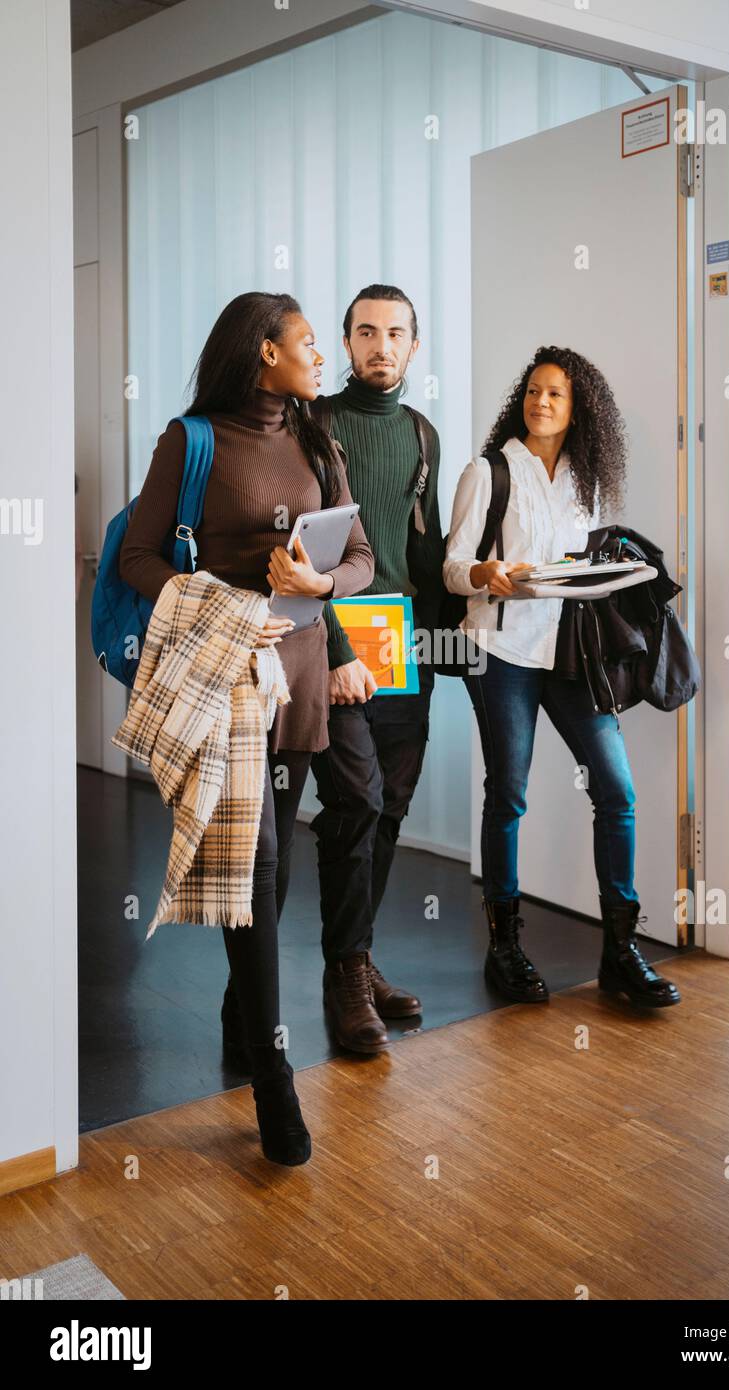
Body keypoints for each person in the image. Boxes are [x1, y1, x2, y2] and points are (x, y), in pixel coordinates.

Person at [118, 291, 374, 1164]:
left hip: (299, 675)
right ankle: (272, 1071)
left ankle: (242, 1008)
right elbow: (137, 558)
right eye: (309, 342)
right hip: (224, 677)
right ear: (264, 350)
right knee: (254, 858)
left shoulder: (316, 439)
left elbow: (362, 557)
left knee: (278, 856)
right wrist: (221, 604)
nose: (322, 358)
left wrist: (318, 586)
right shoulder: (189, 442)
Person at [443, 346, 681, 1010]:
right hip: (502, 651)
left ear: (579, 410)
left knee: (616, 790)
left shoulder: (588, 480)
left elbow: (586, 564)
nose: (542, 402)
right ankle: (506, 949)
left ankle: (620, 953)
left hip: (571, 652)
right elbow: (452, 567)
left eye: (556, 395)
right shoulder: (488, 472)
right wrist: (488, 575)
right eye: (534, 392)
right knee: (509, 795)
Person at [307, 284, 446, 1054]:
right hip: (336, 644)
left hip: (404, 643)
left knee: (390, 805)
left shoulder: (424, 435)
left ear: (414, 345)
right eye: (366, 332)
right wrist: (332, 649)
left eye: (395, 333)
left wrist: (471, 583)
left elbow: (420, 553)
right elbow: (308, 552)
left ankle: (358, 958)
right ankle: (343, 977)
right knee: (354, 800)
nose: (380, 345)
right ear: (347, 341)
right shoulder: (316, 424)